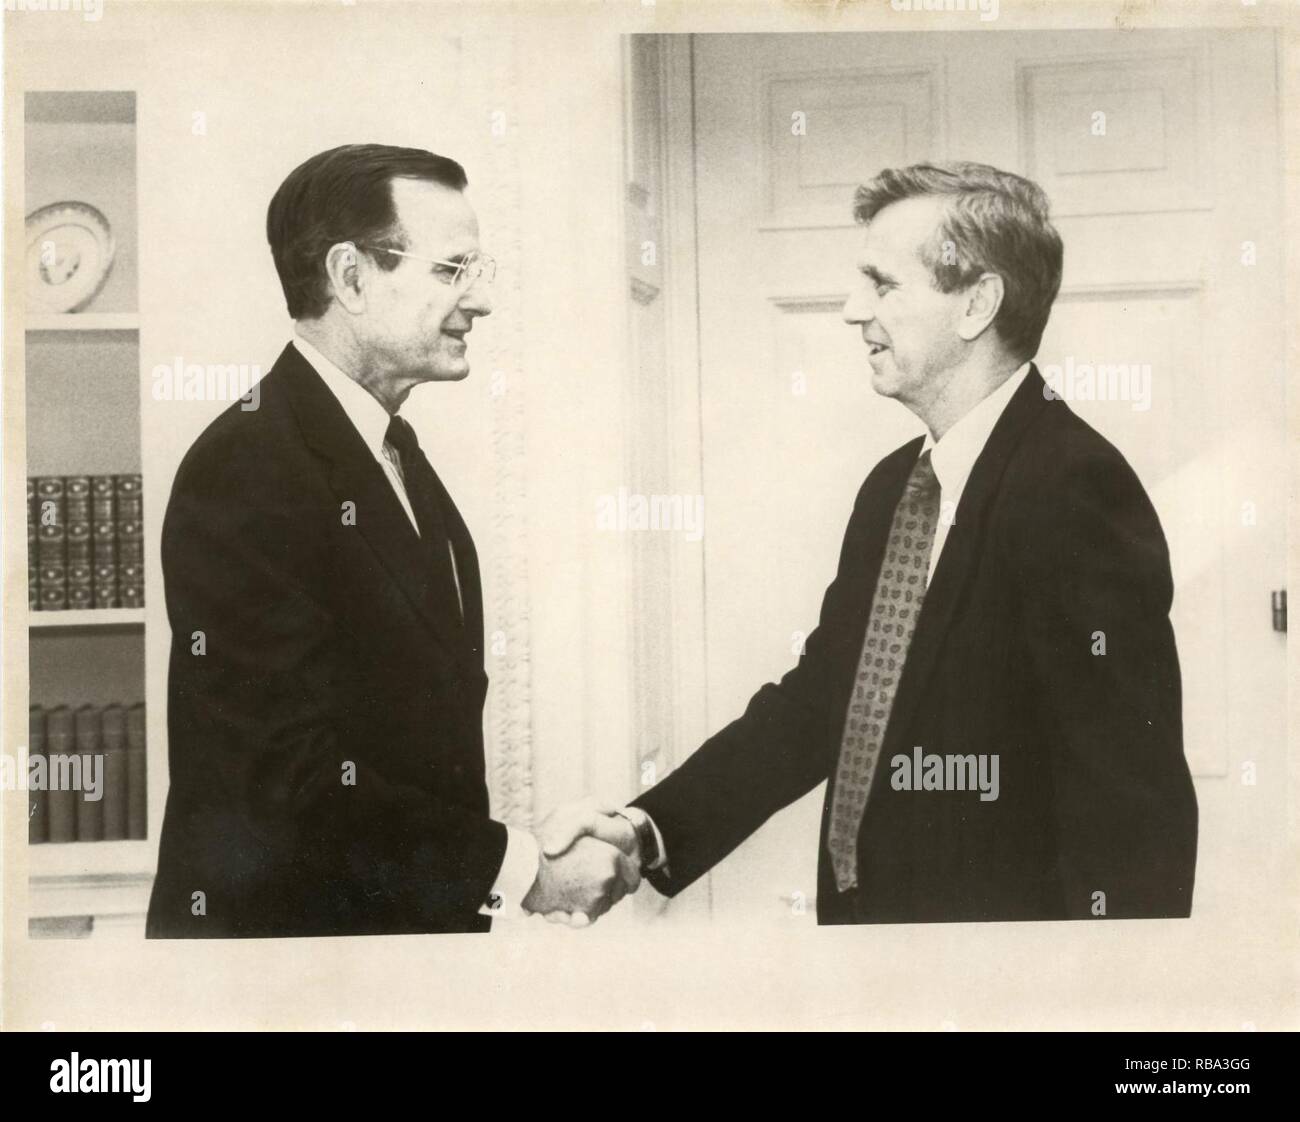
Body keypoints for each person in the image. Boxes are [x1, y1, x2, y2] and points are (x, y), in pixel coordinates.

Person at [550, 161, 1198, 924]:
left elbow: (1130, 803)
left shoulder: (1076, 487)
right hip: (874, 946)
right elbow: (825, 700)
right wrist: (647, 829)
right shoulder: (896, 485)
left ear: (977, 303)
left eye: (883, 284)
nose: (854, 310)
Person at [146, 144, 637, 937]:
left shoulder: (386, 447)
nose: (480, 302)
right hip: (281, 975)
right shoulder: (246, 466)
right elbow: (289, 781)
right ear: (349, 279)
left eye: (479, 271)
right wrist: (526, 869)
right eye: (451, 271)